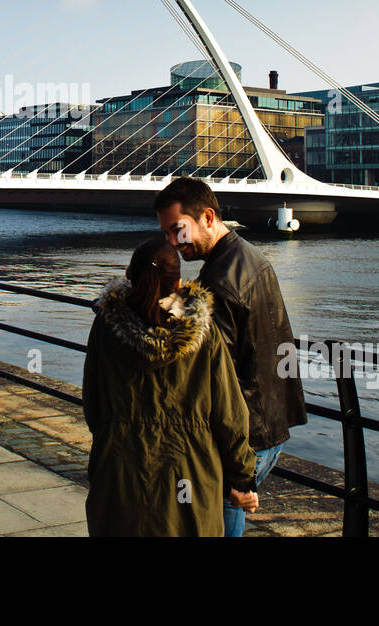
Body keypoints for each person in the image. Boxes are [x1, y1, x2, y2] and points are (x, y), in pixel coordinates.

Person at [154, 176, 308, 537]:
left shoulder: (219, 283)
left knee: (219, 524)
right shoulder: (250, 256)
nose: (173, 243)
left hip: (244, 432)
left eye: (178, 230)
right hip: (272, 419)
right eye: (166, 234)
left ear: (208, 217)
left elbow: (217, 377)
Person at [82, 236, 260, 536]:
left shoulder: (105, 328)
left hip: (119, 472)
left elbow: (94, 405)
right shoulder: (203, 334)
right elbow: (229, 415)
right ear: (179, 282)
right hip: (190, 472)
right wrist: (242, 479)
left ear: (129, 275)